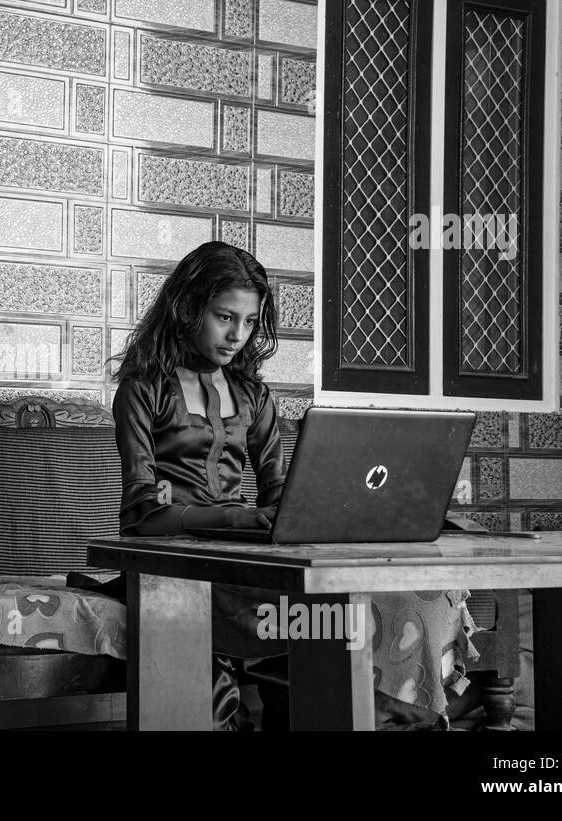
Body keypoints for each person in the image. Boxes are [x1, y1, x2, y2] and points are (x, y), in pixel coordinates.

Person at [109, 241, 474, 730]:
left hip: (245, 552)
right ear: (187, 308)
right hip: (173, 559)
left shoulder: (252, 395)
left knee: (352, 591)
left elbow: (278, 492)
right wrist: (228, 516)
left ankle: (362, 703)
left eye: (249, 322)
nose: (237, 334)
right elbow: (139, 515)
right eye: (224, 317)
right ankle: (365, 704)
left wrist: (332, 511)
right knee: (296, 608)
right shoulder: (143, 389)